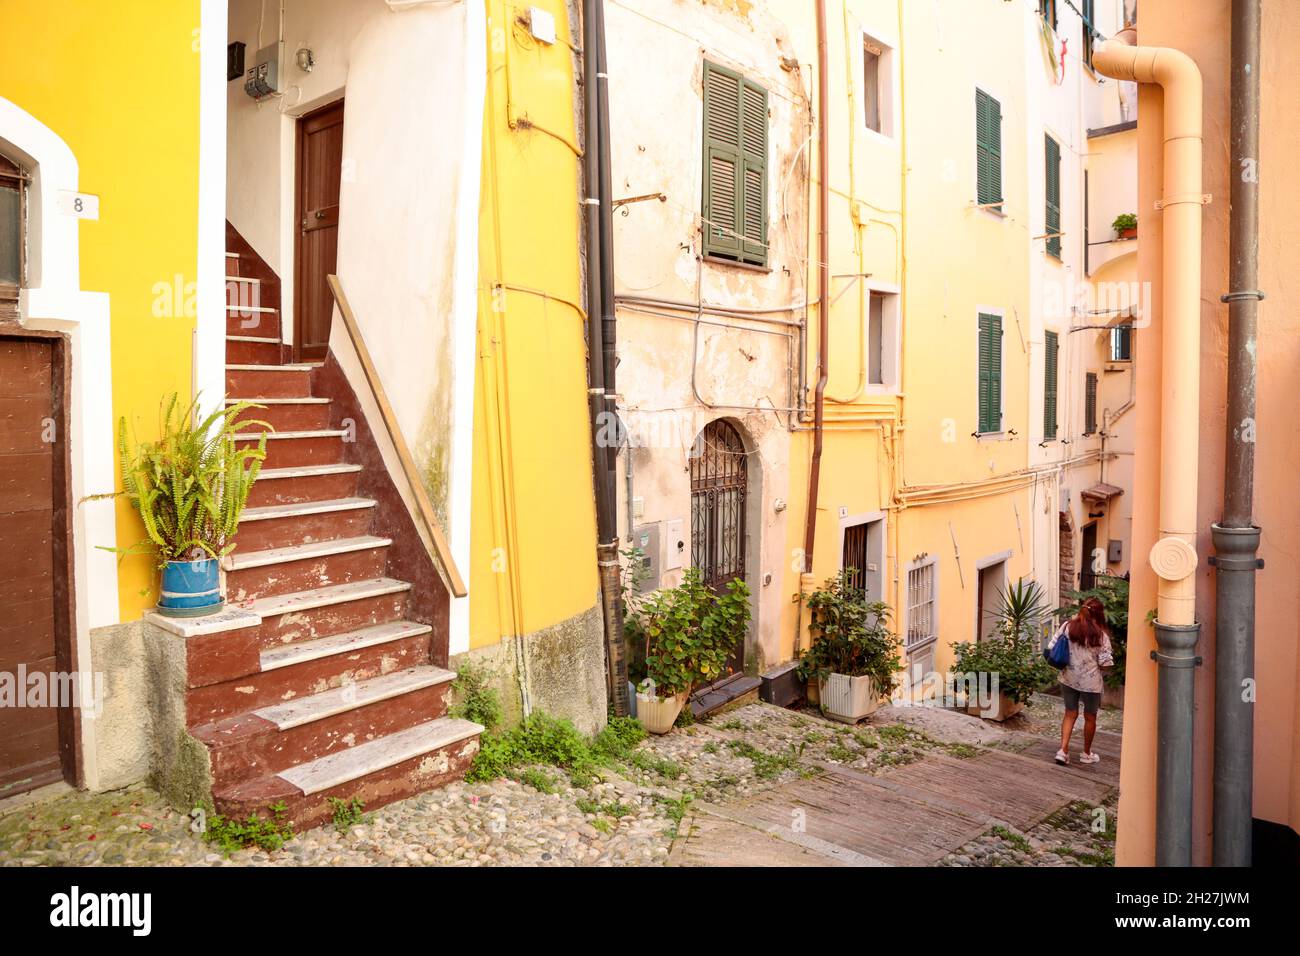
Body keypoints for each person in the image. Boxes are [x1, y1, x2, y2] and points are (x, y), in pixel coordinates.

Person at [1052, 596, 1113, 765]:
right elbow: (1105, 663)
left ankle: (1062, 751)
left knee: (1070, 713)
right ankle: (1086, 753)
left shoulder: (1067, 627)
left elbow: (1051, 647)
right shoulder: (1101, 637)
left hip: (1068, 678)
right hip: (1091, 684)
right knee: (1090, 717)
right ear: (1099, 615)